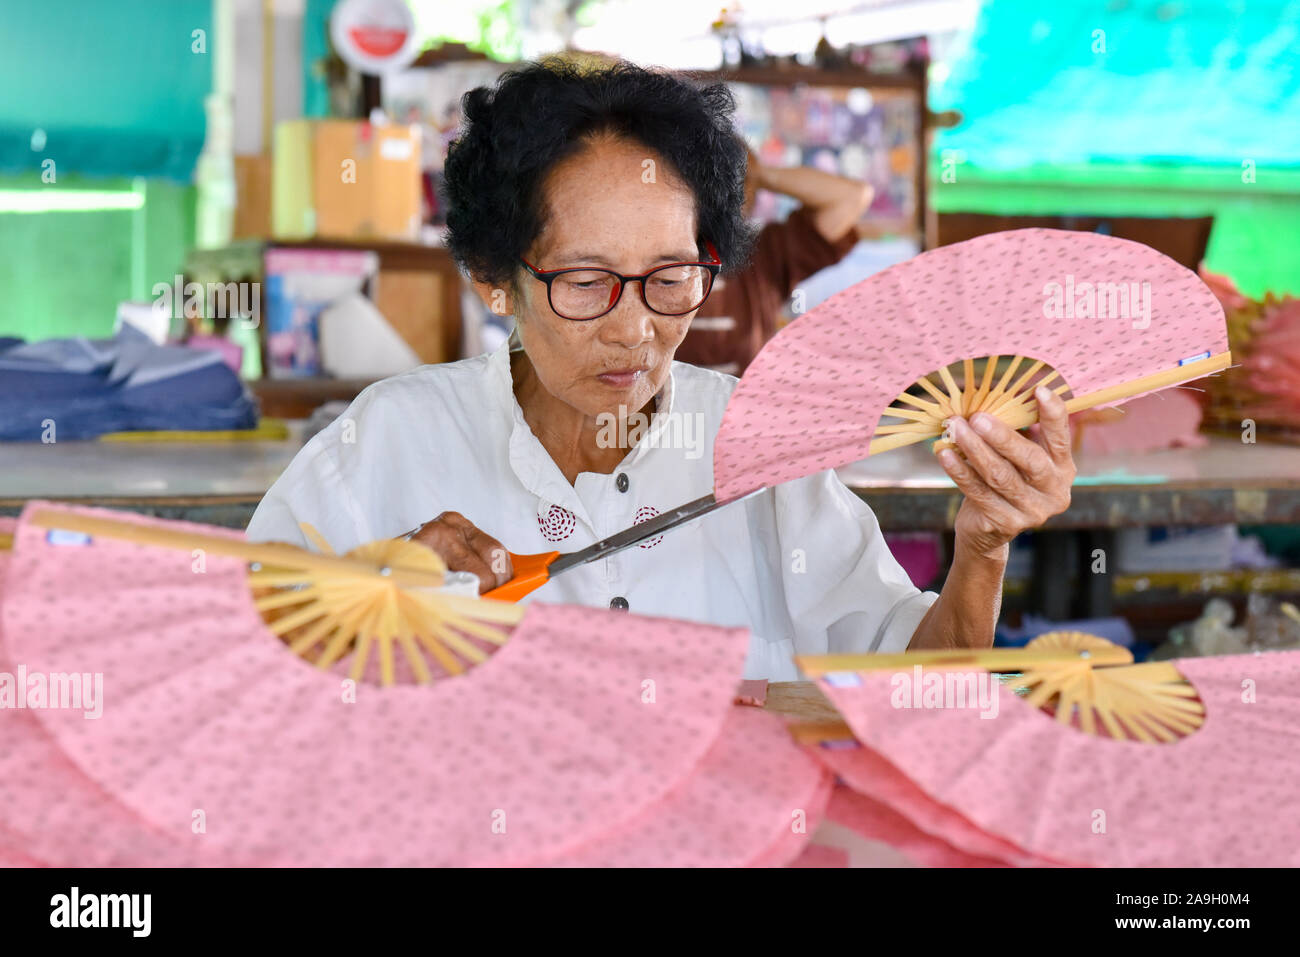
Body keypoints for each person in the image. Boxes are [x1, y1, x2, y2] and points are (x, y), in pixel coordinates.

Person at [246, 60, 1076, 681]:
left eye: (672, 278)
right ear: (493, 277)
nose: (637, 328)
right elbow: (239, 666)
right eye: (584, 282)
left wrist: (984, 548)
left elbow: (915, 682)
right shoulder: (392, 439)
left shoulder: (754, 445)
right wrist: (361, 602)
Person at [672, 148, 873, 375]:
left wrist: (761, 174)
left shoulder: (766, 254)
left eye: (738, 182)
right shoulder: (654, 245)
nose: (725, 196)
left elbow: (852, 197)